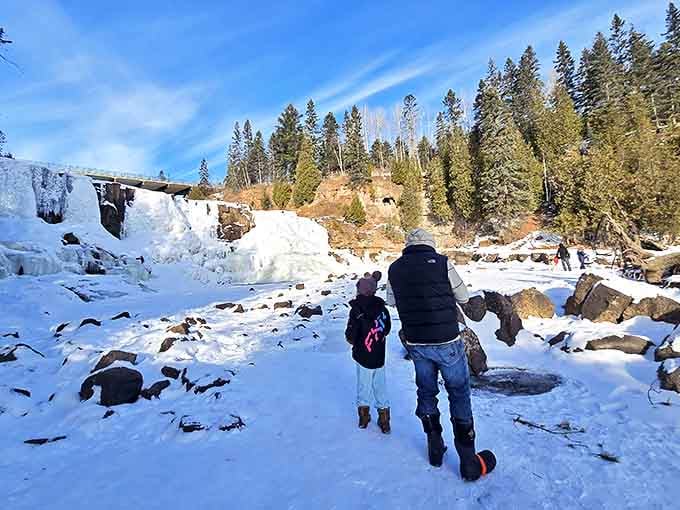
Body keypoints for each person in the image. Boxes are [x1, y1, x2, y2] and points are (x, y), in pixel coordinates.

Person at [386, 229, 495, 481]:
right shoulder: (442, 263)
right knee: (458, 392)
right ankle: (468, 459)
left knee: (426, 391)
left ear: (408, 245)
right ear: (430, 245)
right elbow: (464, 296)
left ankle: (434, 447)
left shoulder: (394, 268)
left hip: (416, 341)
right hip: (446, 339)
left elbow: (392, 302)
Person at [345, 274, 392, 433]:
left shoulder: (356, 309)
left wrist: (353, 340)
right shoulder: (382, 309)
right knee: (380, 385)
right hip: (379, 354)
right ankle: (384, 421)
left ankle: (364, 418)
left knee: (363, 385)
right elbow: (387, 329)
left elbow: (351, 335)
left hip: (363, 355)